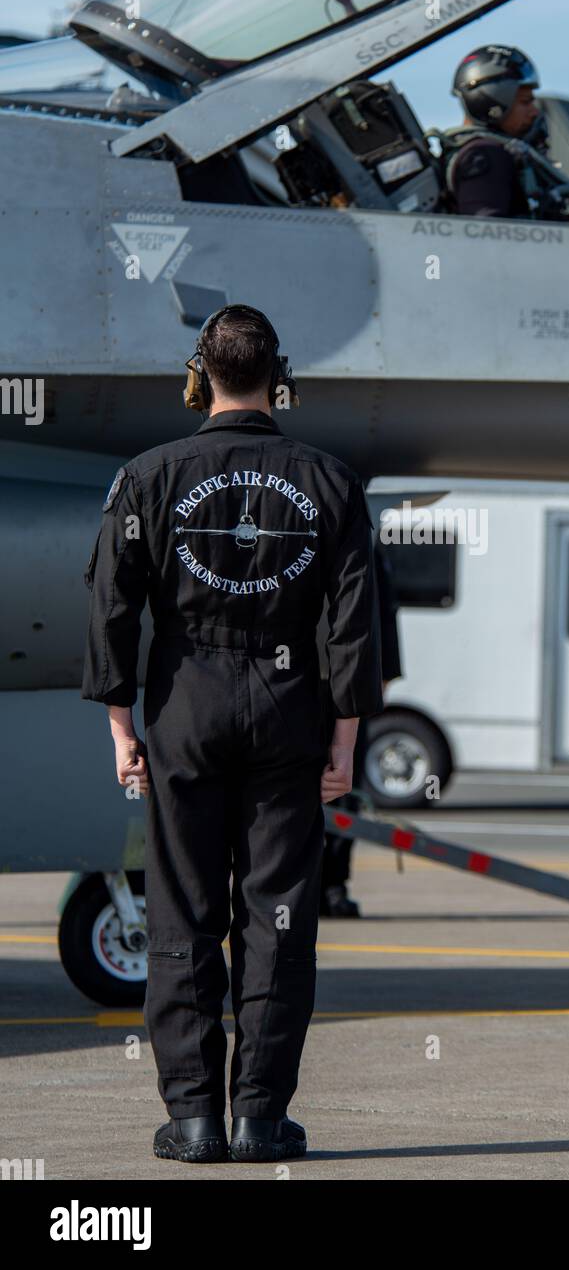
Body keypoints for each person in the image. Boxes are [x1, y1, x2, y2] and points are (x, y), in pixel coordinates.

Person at [81, 304, 382, 1164]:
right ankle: (259, 1117)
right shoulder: (329, 481)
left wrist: (120, 727)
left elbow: (110, 609)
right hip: (289, 705)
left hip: (184, 705)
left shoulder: (149, 477)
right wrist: (345, 739)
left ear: (199, 371)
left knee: (183, 908)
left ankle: (194, 1120)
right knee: (278, 914)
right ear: (277, 372)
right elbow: (355, 624)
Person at [318, 538, 403, 918]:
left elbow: (381, 617)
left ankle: (332, 883)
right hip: (299, 684)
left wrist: (377, 683)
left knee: (341, 793)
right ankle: (310, 887)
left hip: (339, 688)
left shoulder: (362, 550)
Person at [441, 44, 569, 221]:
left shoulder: (494, 152)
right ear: (491, 103)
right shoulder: (484, 156)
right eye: (525, 102)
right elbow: (485, 235)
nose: (534, 112)